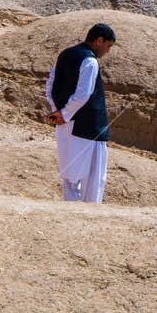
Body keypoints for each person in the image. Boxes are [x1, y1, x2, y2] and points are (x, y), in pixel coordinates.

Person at [44, 23, 115, 203]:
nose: (108, 51)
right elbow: (83, 94)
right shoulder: (90, 61)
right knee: (93, 175)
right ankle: (88, 214)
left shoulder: (64, 55)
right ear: (99, 40)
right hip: (88, 126)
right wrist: (65, 113)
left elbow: (50, 86)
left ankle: (71, 210)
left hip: (64, 124)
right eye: (108, 46)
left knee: (69, 174)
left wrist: (57, 113)